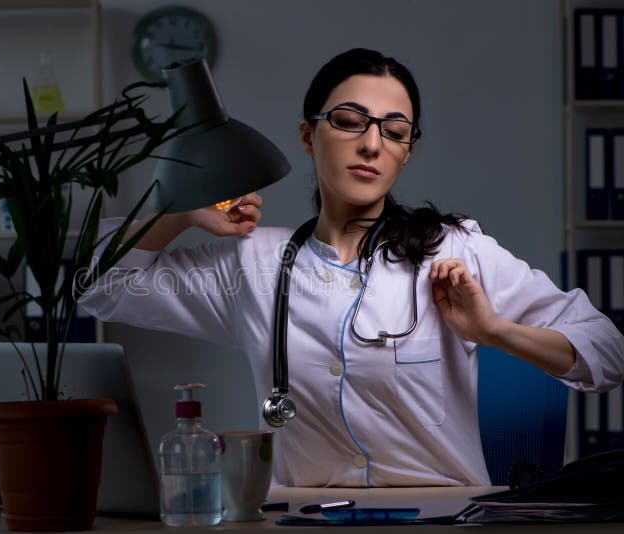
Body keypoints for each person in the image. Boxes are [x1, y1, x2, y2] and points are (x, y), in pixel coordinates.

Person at [77, 48, 624, 487]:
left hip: (443, 516)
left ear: (407, 151)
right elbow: (97, 285)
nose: (370, 143)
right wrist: (180, 211)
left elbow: (607, 350)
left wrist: (493, 332)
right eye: (348, 120)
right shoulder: (253, 263)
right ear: (308, 135)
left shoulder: (455, 251)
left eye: (394, 129)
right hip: (302, 516)